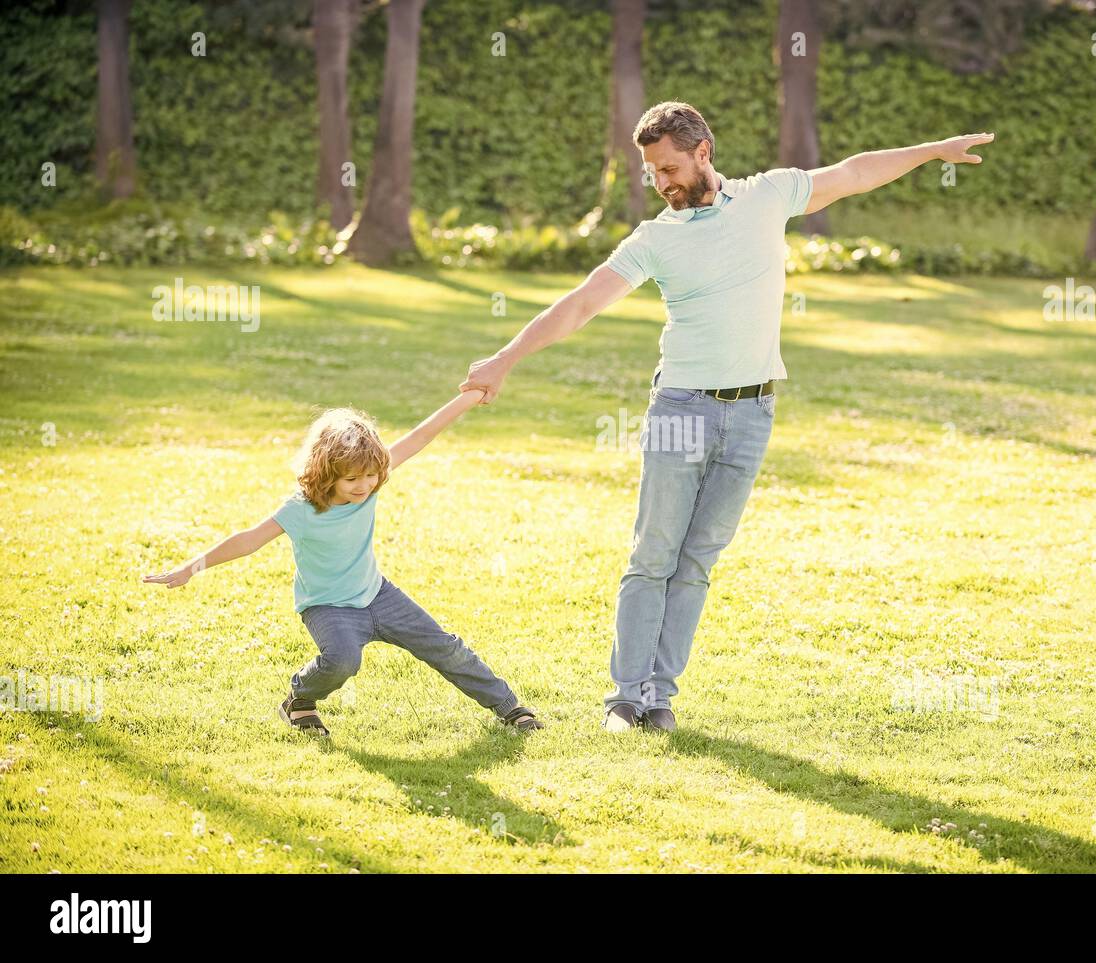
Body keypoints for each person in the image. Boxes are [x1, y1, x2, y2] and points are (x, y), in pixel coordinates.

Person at [458, 100, 993, 733]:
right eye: (652, 173)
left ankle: (660, 699)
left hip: (753, 411)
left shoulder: (770, 196)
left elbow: (853, 173)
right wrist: (505, 358)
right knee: (654, 555)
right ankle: (625, 700)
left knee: (698, 560)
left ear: (703, 151)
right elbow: (579, 306)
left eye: (668, 167)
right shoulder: (656, 238)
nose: (661, 183)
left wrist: (933, 151)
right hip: (682, 408)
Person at [142, 391, 541, 736]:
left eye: (371, 476)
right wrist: (191, 567)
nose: (365, 486)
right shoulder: (300, 510)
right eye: (353, 479)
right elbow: (248, 540)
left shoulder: (370, 483)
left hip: (377, 594)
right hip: (328, 606)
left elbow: (421, 435)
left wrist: (472, 396)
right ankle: (300, 699)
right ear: (325, 472)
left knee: (445, 647)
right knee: (343, 660)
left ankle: (509, 708)